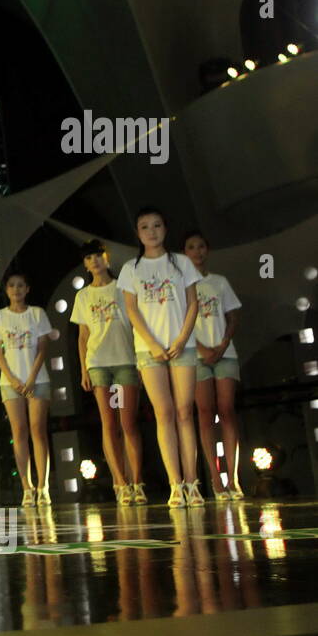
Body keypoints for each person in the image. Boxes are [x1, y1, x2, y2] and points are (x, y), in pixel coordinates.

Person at [118, 206, 202, 507]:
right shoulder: (131, 269)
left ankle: (192, 482)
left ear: (165, 229)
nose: (151, 231)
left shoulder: (181, 263)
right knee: (163, 413)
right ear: (138, 233)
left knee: (184, 412)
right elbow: (131, 309)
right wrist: (153, 344)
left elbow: (193, 303)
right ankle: (174, 485)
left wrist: (181, 339)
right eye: (145, 227)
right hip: (148, 349)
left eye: (156, 225)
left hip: (183, 345)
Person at [70, 240, 144, 504]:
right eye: (88, 258)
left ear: (106, 258)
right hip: (98, 364)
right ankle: (120, 483)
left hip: (125, 360)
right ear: (85, 265)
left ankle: (137, 481)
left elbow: (136, 322)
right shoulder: (83, 296)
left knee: (128, 423)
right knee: (109, 423)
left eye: (97, 256)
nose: (94, 261)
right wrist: (83, 369)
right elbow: (82, 336)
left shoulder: (122, 287)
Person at [183, 231, 244, 500]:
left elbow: (233, 316)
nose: (197, 251)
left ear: (207, 250)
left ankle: (234, 478)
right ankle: (215, 479)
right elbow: (177, 323)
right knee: (205, 413)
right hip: (196, 357)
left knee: (227, 410)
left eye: (201, 246)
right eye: (191, 247)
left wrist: (221, 344)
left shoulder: (219, 282)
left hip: (224, 353)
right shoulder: (180, 286)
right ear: (184, 253)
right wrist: (201, 348)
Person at [0, 270, 53, 508]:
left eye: (21, 285)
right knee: (19, 432)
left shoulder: (37, 314)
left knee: (38, 430)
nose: (16, 290)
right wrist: (12, 379)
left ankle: (42, 487)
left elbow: (43, 348)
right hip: (10, 383)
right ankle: (26, 487)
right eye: (12, 286)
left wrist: (32, 377)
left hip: (38, 379)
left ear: (27, 289)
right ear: (6, 290)